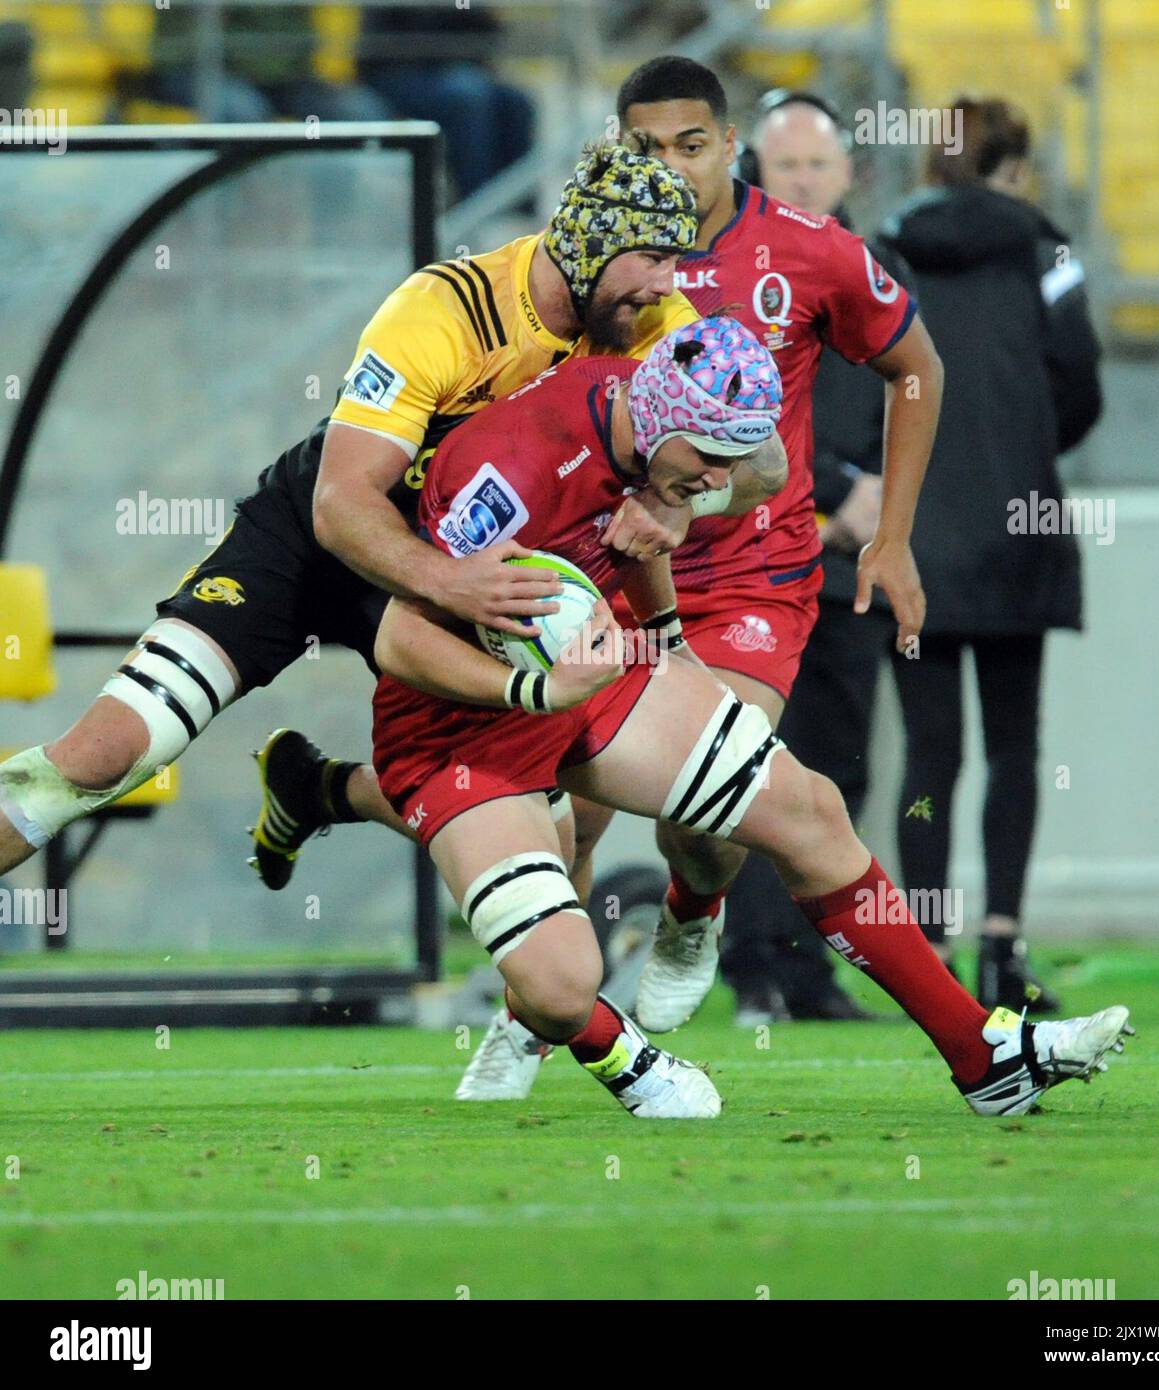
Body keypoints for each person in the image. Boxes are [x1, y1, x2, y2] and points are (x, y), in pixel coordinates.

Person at [372, 316, 1132, 1119]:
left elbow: (638, 528)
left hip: (586, 677)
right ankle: (621, 1057)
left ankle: (983, 1058)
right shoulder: (512, 471)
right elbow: (399, 636)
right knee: (561, 989)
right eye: (708, 458)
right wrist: (536, 694)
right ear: (660, 418)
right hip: (458, 728)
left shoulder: (640, 426)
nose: (717, 480)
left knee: (807, 809)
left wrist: (666, 644)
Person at [0, 146, 700, 886]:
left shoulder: (660, 325)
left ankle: (321, 791)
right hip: (322, 542)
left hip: (455, 574)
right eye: (651, 257)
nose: (666, 284)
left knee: (555, 844)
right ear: (588, 240)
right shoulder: (446, 306)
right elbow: (341, 503)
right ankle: (316, 788)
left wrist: (669, 499)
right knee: (104, 755)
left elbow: (753, 449)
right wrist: (449, 583)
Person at [553, 57, 942, 1050]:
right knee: (567, 825)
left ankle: (691, 907)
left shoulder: (809, 250)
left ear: (731, 145)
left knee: (706, 810)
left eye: (692, 145)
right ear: (615, 149)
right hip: (606, 568)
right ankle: (541, 1010)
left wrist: (890, 537)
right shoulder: (587, 255)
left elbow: (914, 367)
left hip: (746, 579)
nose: (673, 168)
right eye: (646, 149)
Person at [876, 97, 1103, 1012]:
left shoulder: (887, 251)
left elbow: (865, 372)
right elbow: (1081, 384)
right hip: (1020, 531)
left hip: (914, 533)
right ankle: (1001, 950)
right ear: (1015, 166)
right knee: (1015, 748)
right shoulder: (1045, 249)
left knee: (929, 754)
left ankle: (924, 952)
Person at [720, 91, 908, 1025]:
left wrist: (883, 508)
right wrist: (834, 486)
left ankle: (811, 969)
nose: (802, 180)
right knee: (745, 767)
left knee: (838, 777)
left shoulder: (872, 269)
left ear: (845, 174)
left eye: (816, 166)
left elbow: (918, 387)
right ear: (755, 167)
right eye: (784, 165)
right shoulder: (726, 268)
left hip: (851, 567)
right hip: (755, 557)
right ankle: (751, 964)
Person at [358, 5, 535, 199]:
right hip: (396, 71)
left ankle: (516, 208)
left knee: (516, 102)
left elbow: (488, 30)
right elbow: (384, 38)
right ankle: (476, 206)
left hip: (455, 69)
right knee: (466, 96)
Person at [148, 4, 388, 123]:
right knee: (243, 112)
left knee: (359, 112)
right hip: (196, 72)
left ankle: (336, 217)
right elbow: (183, 39)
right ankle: (232, 214)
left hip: (287, 79)